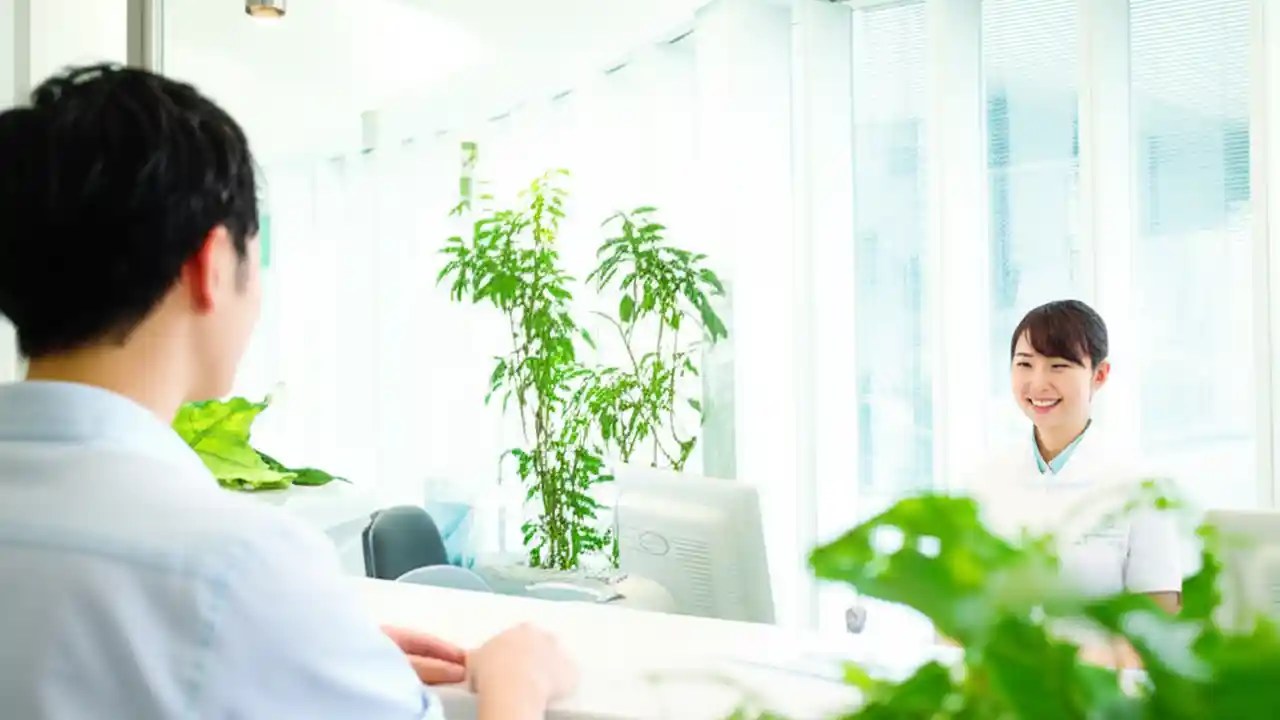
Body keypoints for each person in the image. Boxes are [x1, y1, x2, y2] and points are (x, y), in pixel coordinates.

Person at [0, 64, 575, 720]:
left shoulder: (236, 590)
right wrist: (517, 681)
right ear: (212, 264)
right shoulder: (238, 568)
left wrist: (297, 647)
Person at [968, 300, 1183, 617]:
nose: (1038, 383)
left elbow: (1158, 626)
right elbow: (959, 610)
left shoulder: (1142, 488)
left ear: (1099, 374)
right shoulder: (986, 479)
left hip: (1097, 651)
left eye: (1058, 366)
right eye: (1025, 364)